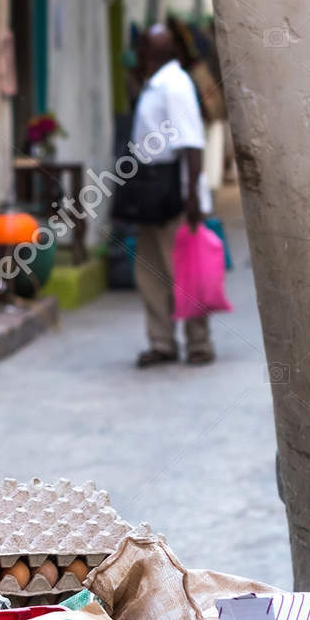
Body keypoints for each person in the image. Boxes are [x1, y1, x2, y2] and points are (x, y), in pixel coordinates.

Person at [129, 22, 213, 368]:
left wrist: (190, 197)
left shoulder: (174, 85)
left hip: (173, 192)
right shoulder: (155, 84)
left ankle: (199, 343)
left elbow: (191, 142)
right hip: (151, 188)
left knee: (184, 270)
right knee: (150, 271)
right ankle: (162, 341)